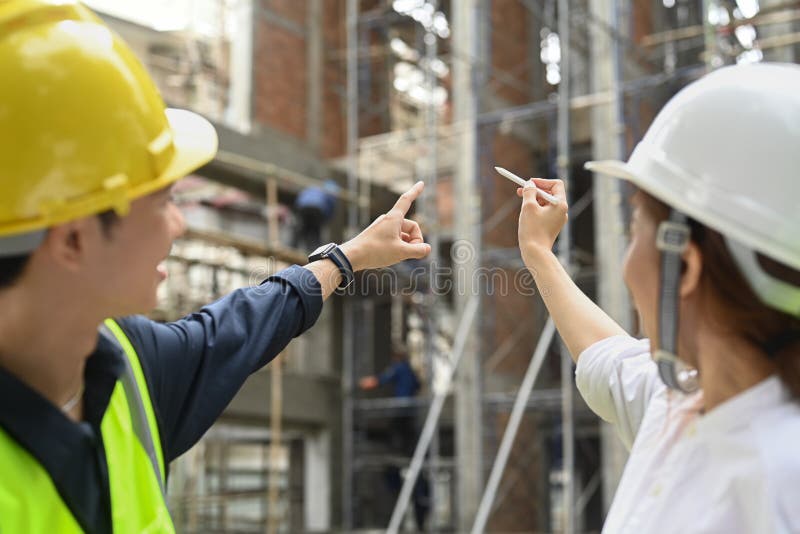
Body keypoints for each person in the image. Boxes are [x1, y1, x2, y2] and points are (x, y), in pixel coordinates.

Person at [0, 2, 430, 532]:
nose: (179, 224)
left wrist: (350, 257)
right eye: (161, 202)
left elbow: (242, 323)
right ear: (73, 239)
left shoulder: (125, 365)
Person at [516, 63, 800, 533]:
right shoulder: (687, 399)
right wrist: (538, 253)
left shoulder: (780, 485)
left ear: (684, 267)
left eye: (633, 233)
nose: (627, 264)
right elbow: (606, 355)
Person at [359, 352, 429, 531]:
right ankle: (406, 451)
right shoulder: (410, 371)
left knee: (396, 430)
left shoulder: (398, 368)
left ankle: (398, 451)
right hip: (410, 411)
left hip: (402, 408)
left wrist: (366, 383)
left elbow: (382, 379)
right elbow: (418, 384)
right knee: (407, 437)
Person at [292, 180, 339, 252]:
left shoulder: (312, 189)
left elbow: (298, 201)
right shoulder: (328, 194)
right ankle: (315, 251)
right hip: (317, 210)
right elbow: (330, 209)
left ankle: (293, 247)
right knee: (316, 233)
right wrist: (326, 220)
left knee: (302, 229)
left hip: (303, 208)